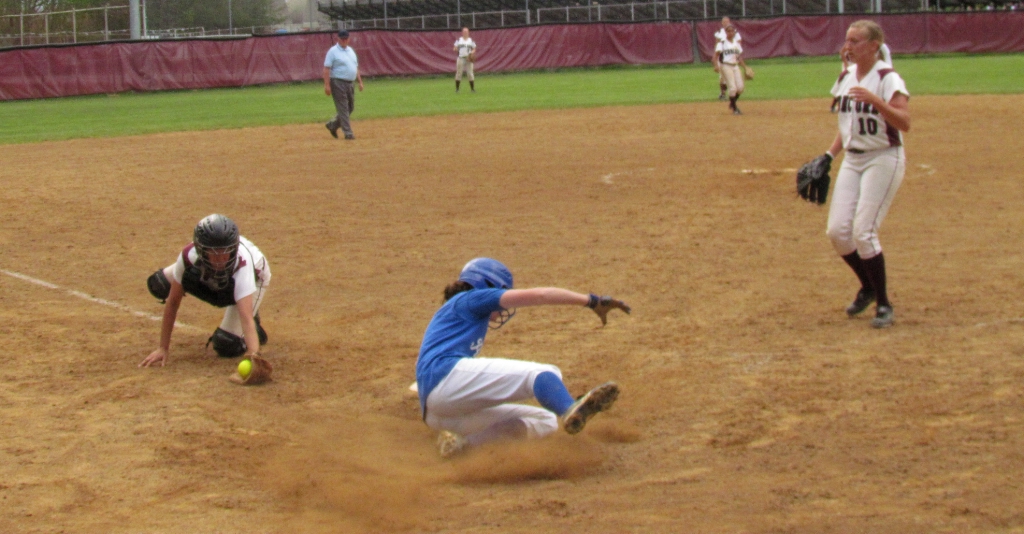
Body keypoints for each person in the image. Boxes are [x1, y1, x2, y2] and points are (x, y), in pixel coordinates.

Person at [416, 258, 631, 458]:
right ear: (488, 285)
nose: (503, 308)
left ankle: (463, 446)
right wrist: (592, 301)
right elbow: (541, 295)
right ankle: (569, 409)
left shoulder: (453, 314)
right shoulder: (471, 298)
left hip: (438, 415)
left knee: (545, 421)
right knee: (542, 373)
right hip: (445, 380)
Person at [821, 20, 910, 328]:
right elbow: (847, 126)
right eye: (847, 40)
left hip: (883, 157)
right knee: (838, 232)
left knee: (864, 231)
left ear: (874, 46)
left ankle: (884, 304)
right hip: (853, 159)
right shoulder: (846, 76)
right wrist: (829, 156)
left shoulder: (887, 77)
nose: (848, 46)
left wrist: (876, 101)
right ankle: (868, 287)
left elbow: (905, 122)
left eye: (856, 41)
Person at [139, 214, 271, 367]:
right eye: (214, 252)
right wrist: (163, 348)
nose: (220, 259)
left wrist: (254, 356)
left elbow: (245, 317)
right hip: (206, 270)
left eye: (225, 251)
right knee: (158, 284)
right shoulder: (188, 256)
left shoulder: (243, 265)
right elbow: (173, 302)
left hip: (254, 277)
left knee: (227, 344)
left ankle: (253, 317)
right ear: (201, 250)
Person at [323, 29, 364, 140]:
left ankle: (333, 125)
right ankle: (348, 133)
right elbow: (326, 68)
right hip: (338, 82)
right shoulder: (333, 51)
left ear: (349, 39)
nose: (344, 40)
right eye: (342, 39)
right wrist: (327, 85)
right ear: (338, 39)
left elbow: (355, 67)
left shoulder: (351, 51)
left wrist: (360, 81)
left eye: (346, 38)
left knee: (350, 107)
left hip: (350, 83)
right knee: (343, 108)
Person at [832, 42, 892, 112]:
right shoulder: (853, 48)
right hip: (854, 68)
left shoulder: (881, 47)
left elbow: (885, 59)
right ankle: (836, 105)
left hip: (875, 69)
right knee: (844, 87)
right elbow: (843, 53)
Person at [712, 26, 749, 115]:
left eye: (732, 31)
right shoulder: (722, 43)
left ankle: (732, 103)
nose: (731, 33)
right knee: (732, 88)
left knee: (740, 88)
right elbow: (715, 56)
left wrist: (745, 68)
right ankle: (735, 109)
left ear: (734, 33)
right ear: (726, 33)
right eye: (729, 31)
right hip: (725, 66)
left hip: (735, 66)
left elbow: (739, 58)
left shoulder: (736, 43)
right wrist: (716, 65)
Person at [713, 17, 741, 100]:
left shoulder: (735, 31)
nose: (726, 23)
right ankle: (723, 93)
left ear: (729, 22)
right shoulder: (720, 32)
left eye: (727, 21)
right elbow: (717, 43)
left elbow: (739, 41)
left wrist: (736, 52)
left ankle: (733, 93)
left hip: (732, 56)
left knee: (734, 77)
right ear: (722, 23)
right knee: (722, 78)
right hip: (722, 57)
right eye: (724, 22)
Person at [453, 27, 477, 93]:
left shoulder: (471, 40)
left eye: (466, 32)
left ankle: (472, 89)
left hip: (468, 58)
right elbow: (455, 47)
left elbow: (474, 48)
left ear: (468, 32)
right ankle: (457, 89)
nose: (465, 33)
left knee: (470, 73)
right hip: (461, 58)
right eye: (464, 32)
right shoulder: (459, 40)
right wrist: (456, 49)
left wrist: (472, 53)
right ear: (462, 33)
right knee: (459, 73)